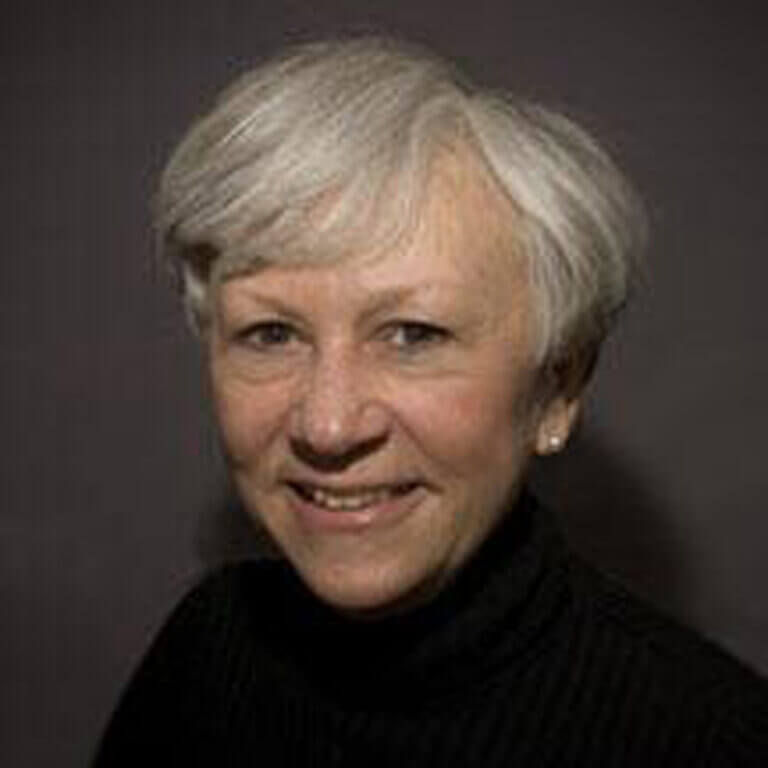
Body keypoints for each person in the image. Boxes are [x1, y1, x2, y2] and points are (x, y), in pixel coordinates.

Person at [94, 37, 768, 766]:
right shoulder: (206, 648)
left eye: (413, 334)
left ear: (558, 390)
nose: (328, 425)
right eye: (272, 333)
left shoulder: (712, 739)